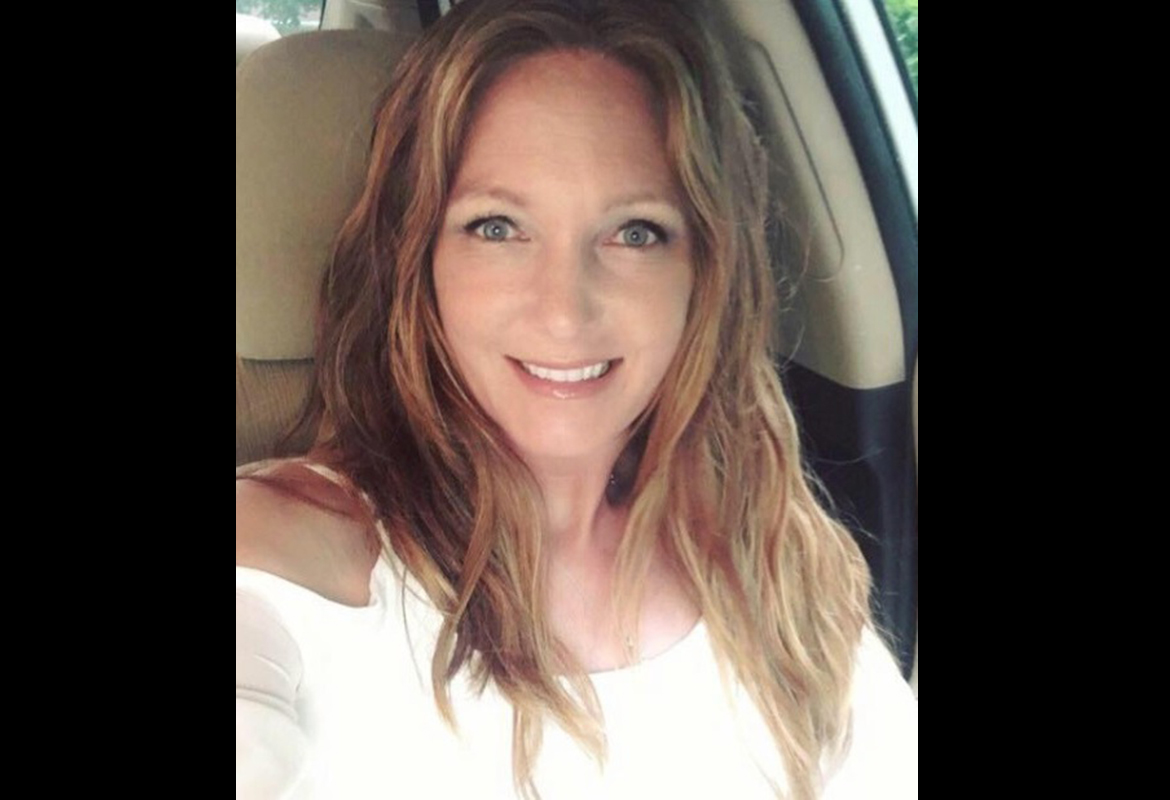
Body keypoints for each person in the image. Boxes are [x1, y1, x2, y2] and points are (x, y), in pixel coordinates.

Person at [236, 0, 917, 798]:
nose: (565, 312)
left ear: (704, 274)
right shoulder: (283, 550)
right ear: (417, 259)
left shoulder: (775, 549)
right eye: (497, 228)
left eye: (635, 233)